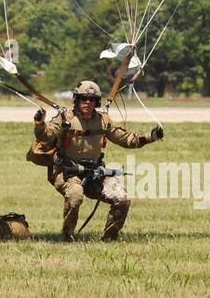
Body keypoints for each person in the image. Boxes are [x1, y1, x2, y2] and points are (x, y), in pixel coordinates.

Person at [33, 81, 163, 242]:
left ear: (97, 102)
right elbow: (45, 136)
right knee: (75, 195)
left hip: (95, 174)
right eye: (83, 99)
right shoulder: (65, 119)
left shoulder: (103, 121)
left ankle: (109, 239)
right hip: (67, 173)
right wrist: (39, 124)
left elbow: (125, 139)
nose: (87, 102)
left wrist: (152, 136)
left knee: (122, 198)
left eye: (92, 99)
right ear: (77, 100)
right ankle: (67, 238)